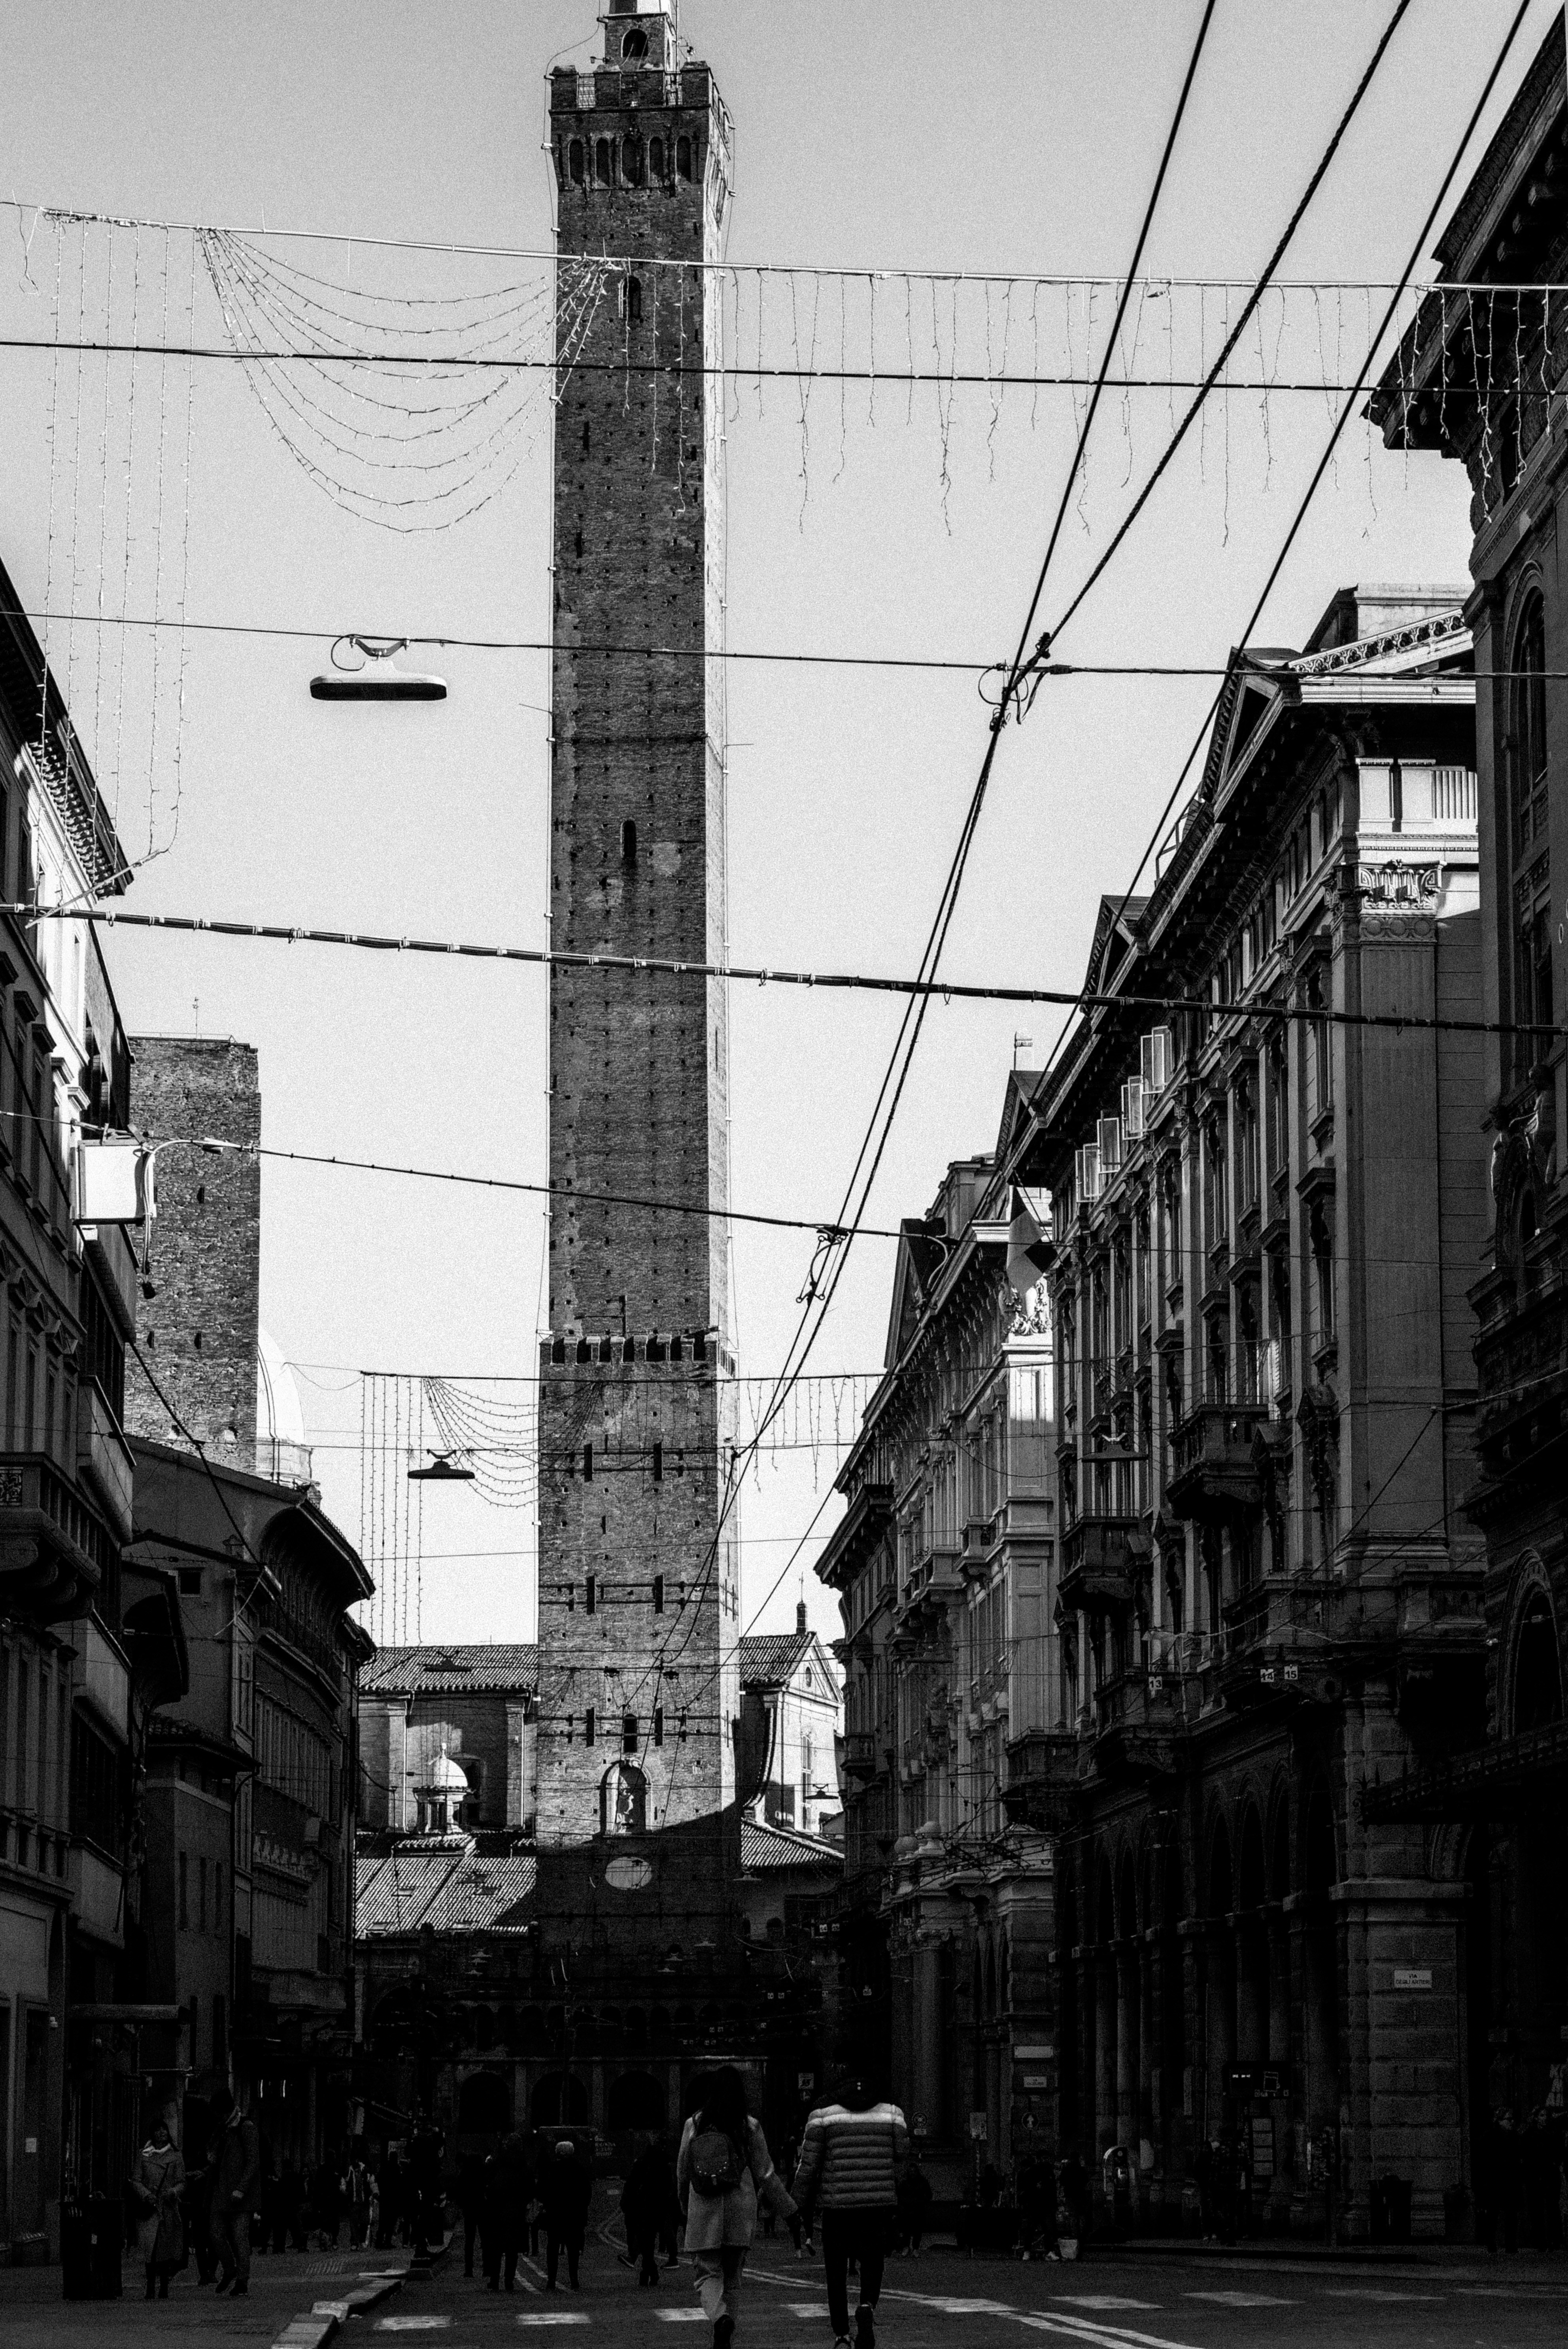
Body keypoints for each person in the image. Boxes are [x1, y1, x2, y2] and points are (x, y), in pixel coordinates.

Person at [678, 2064, 798, 2348]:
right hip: (740, 2209)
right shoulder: (750, 2125)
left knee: (707, 2273)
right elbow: (766, 2174)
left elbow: (683, 2172)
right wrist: (790, 2210)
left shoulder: (694, 2124)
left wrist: (684, 2207)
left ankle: (720, 2318)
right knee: (733, 2276)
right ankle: (728, 2329)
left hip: (704, 2208)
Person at [791, 2075, 908, 2349]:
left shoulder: (821, 2113)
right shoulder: (892, 2112)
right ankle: (867, 2304)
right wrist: (896, 2197)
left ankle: (842, 2333)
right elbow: (903, 2155)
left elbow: (807, 2166)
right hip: (877, 2205)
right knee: (872, 2263)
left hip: (837, 2206)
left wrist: (794, 2205)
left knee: (836, 2271)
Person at [130, 2118, 186, 2300]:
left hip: (167, 2207)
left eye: (164, 2130)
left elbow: (182, 2181)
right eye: (158, 2130)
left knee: (165, 2248)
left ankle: (163, 2286)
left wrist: (174, 2192)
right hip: (150, 2207)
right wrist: (146, 2195)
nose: (162, 2133)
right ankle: (150, 2287)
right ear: (152, 2134)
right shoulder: (144, 2155)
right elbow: (136, 2180)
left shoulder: (176, 2156)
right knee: (150, 2249)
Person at [210, 2096, 261, 2296]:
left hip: (242, 2196)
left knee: (240, 2238)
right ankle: (229, 2268)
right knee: (215, 2233)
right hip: (221, 2191)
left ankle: (242, 2279)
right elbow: (216, 2156)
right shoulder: (221, 2129)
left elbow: (253, 2161)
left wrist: (242, 2188)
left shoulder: (245, 2127)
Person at [483, 2133, 535, 2294]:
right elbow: (530, 2189)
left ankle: (495, 2280)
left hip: (498, 2211)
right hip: (517, 2212)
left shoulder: (498, 2164)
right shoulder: (523, 2165)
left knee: (496, 2249)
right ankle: (509, 2281)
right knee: (512, 2250)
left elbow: (490, 2186)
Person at [541, 2136, 592, 2291]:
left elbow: (544, 2190)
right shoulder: (579, 2169)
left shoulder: (552, 2169)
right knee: (573, 2250)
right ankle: (574, 2279)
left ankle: (551, 2280)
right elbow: (587, 2192)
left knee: (553, 2249)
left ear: (557, 2153)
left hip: (555, 2214)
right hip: (574, 2215)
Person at [622, 2135, 672, 2285]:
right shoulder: (664, 2166)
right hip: (657, 2206)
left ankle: (650, 2271)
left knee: (644, 2241)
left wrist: (627, 2203)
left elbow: (631, 2184)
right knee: (648, 2240)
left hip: (641, 2206)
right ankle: (648, 2271)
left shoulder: (642, 2164)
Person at [896, 2154, 932, 2257]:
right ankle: (907, 2247)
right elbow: (899, 2195)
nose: (913, 2174)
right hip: (908, 2210)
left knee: (917, 2231)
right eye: (911, 2172)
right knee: (907, 2230)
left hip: (918, 2210)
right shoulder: (905, 2183)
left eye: (914, 2172)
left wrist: (921, 2202)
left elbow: (929, 2195)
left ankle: (915, 2248)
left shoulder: (922, 2183)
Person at [458, 2149, 487, 2279]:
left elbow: (460, 2192)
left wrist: (463, 2206)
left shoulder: (465, 2174)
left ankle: (469, 2270)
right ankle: (487, 2269)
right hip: (482, 2208)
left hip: (469, 2210)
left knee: (469, 2241)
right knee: (485, 2240)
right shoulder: (483, 2173)